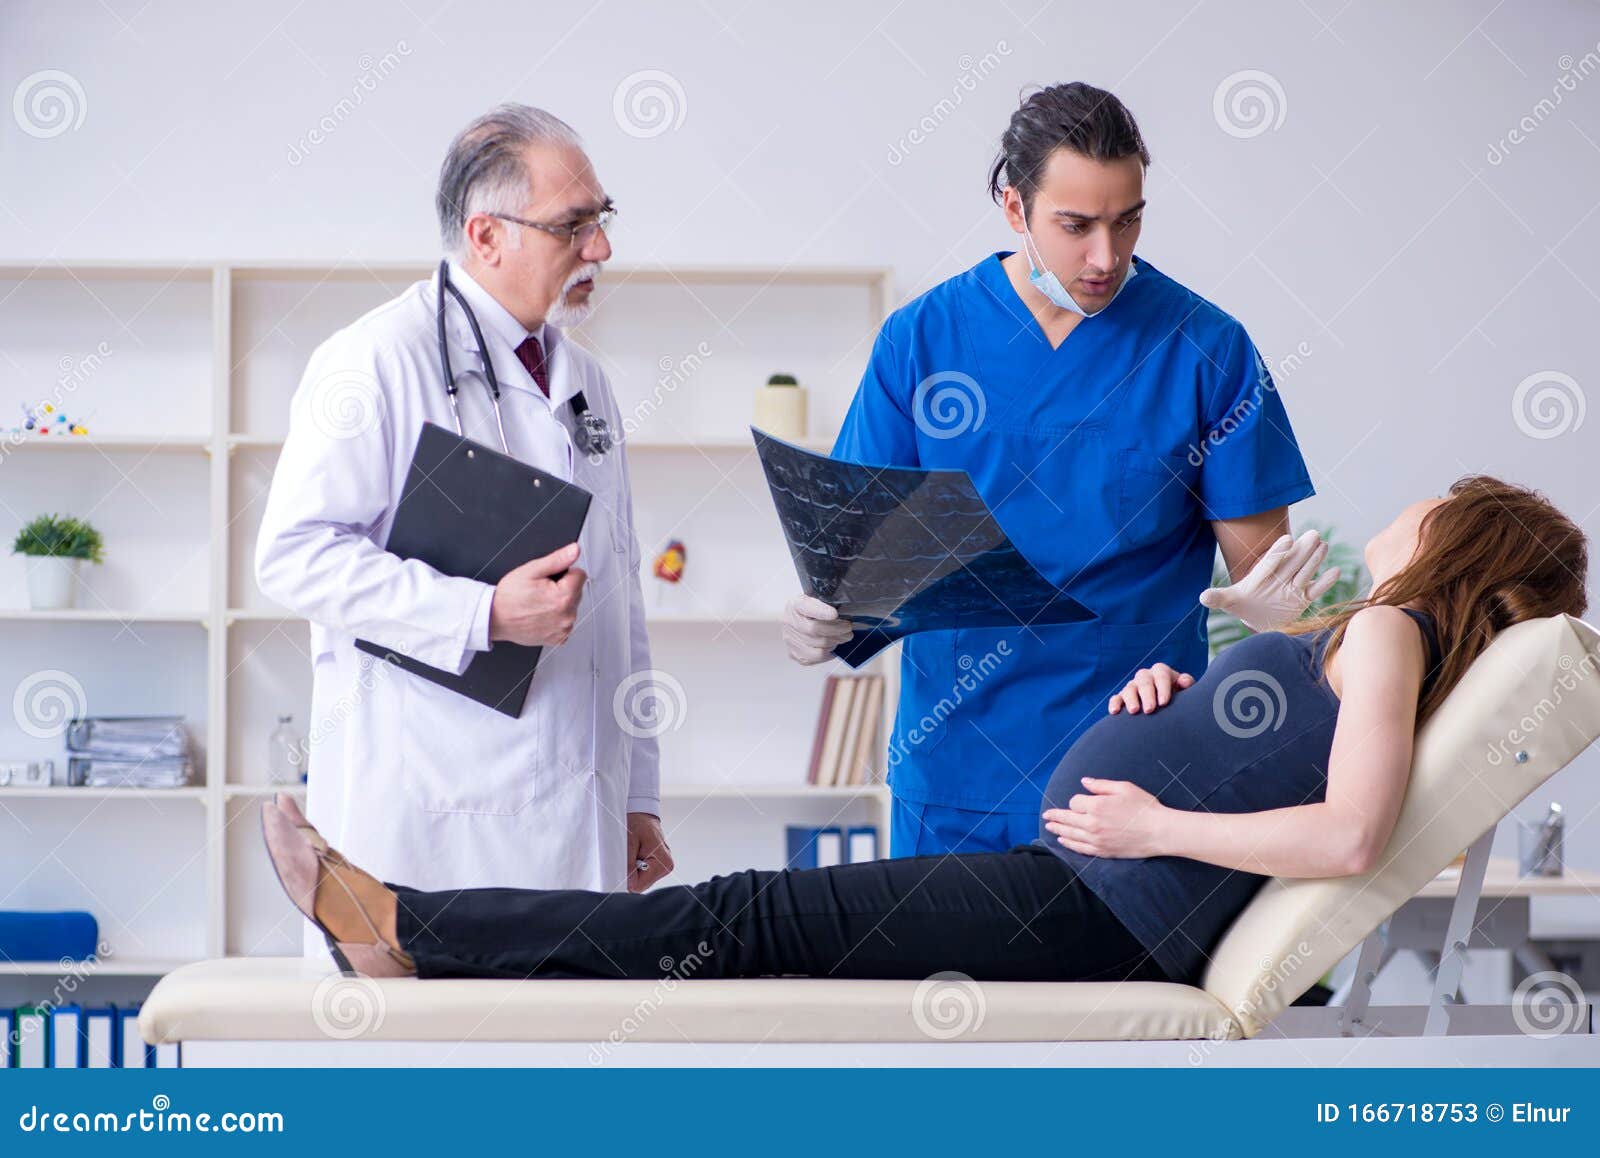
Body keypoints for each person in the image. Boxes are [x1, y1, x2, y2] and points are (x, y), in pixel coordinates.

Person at [261, 477, 1587, 986]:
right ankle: (417, 933)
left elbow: (1349, 833)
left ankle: (409, 927)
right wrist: (1182, 701)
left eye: (1432, 503)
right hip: (1085, 890)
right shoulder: (1382, 641)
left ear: (1454, 536)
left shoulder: (1393, 628)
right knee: (744, 920)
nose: (1403, 511)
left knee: (744, 918)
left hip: (1100, 903)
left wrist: (1155, 820)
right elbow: (1303, 765)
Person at [780, 82, 1337, 860]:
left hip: (1135, 781)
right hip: (955, 773)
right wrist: (825, 619)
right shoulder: (922, 341)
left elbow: (1269, 591)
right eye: (1076, 226)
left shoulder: (1207, 350)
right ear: (1015, 207)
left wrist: (1274, 617)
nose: (1106, 257)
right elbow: (861, 562)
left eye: (1128, 220)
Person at [254, 105, 673, 957]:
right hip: (432, 821)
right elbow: (294, 556)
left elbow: (619, 594)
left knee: (570, 1037)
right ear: (486, 236)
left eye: (601, 218)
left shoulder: (585, 379)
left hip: (580, 819)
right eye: (572, 225)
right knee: (428, 1036)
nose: (600, 247)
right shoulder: (376, 359)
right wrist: (482, 614)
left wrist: (638, 796)